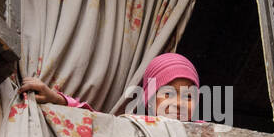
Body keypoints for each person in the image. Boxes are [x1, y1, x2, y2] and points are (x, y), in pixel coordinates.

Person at [18, 52, 201, 122]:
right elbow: (96, 122)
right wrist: (57, 99)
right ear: (149, 99)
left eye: (189, 96)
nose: (179, 103)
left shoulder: (205, 135)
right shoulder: (135, 127)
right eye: (168, 93)